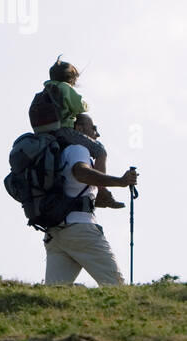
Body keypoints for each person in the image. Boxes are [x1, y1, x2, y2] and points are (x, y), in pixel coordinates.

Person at [42, 113, 139, 286]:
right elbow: (80, 172)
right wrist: (120, 181)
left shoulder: (59, 153)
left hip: (56, 233)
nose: (97, 134)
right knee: (115, 286)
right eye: (93, 128)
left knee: (55, 293)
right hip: (80, 230)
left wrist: (106, 197)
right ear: (78, 129)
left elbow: (76, 191)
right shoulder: (78, 149)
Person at [40, 57, 121, 208]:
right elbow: (80, 107)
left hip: (47, 134)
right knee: (100, 150)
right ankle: (102, 192)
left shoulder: (47, 89)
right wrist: (83, 104)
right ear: (71, 78)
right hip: (64, 131)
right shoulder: (65, 88)